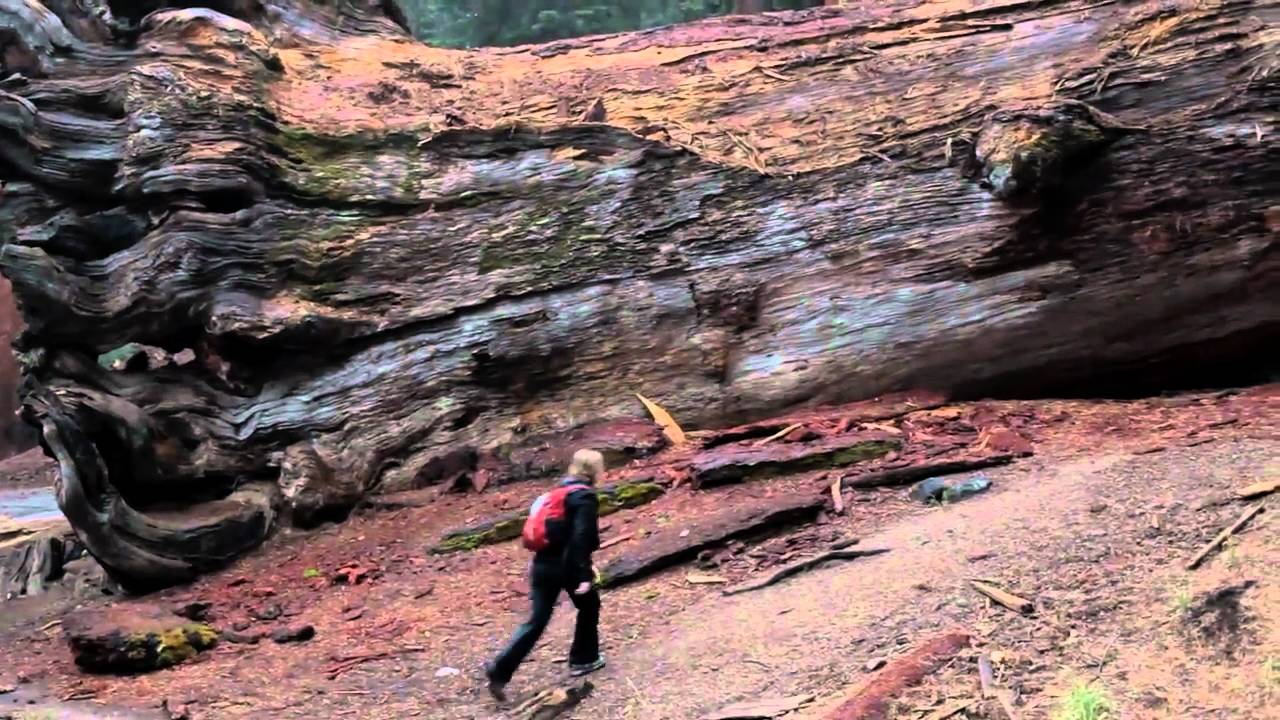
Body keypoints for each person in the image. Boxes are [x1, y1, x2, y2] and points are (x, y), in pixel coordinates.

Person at [484, 448, 606, 701]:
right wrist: (583, 574)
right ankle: (583, 659)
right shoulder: (584, 497)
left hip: (541, 565)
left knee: (536, 620)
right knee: (590, 606)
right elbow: (582, 537)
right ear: (595, 470)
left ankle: (499, 670)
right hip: (568, 566)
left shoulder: (551, 495)